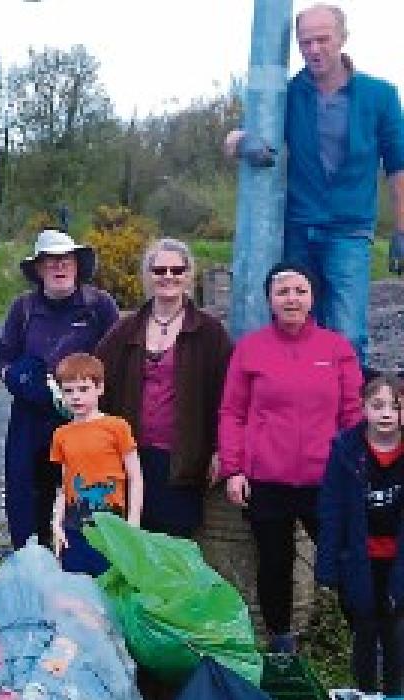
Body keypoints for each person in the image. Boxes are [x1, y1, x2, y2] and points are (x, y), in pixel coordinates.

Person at [225, 4, 404, 364]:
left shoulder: (379, 96)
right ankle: (299, 413)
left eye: (322, 40)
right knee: (295, 328)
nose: (314, 50)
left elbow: (398, 167)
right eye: (305, 42)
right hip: (298, 230)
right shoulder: (288, 96)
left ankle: (348, 417)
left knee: (348, 333)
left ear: (342, 38)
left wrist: (401, 229)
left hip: (349, 233)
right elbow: (234, 137)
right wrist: (243, 142)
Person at [217, 261, 363, 653]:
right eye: (282, 292)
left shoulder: (337, 349)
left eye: (300, 291)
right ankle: (283, 644)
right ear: (270, 300)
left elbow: (352, 414)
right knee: (275, 563)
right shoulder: (250, 349)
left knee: (347, 558)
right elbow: (232, 413)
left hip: (327, 481)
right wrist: (233, 470)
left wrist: (357, 470)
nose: (291, 299)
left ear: (312, 298)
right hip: (267, 479)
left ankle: (367, 639)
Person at [96, 238, 233, 537]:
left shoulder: (210, 332)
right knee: (134, 544)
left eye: (176, 269)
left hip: (183, 459)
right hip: (131, 457)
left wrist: (221, 451)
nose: (168, 276)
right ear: (148, 275)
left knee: (174, 546)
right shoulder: (126, 329)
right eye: (159, 270)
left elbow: (228, 398)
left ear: (188, 275)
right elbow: (98, 381)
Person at [0, 229, 119, 550]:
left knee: (83, 499)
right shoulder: (22, 308)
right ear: (38, 269)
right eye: (50, 262)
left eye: (66, 260)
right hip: (29, 420)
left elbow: (117, 360)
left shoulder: (99, 306)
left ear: (78, 265)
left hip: (81, 420)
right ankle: (32, 566)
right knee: (26, 498)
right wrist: (27, 382)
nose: (59, 268)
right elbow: (4, 361)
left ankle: (80, 568)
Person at [316, 372, 404, 696]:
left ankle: (395, 692)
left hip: (398, 563)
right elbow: (331, 511)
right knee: (364, 630)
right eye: (377, 405)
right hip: (359, 562)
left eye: (395, 407)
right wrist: (327, 569)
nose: (386, 413)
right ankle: (366, 692)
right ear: (362, 408)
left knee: (396, 632)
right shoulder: (345, 452)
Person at [49, 353, 143, 576]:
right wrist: (56, 523)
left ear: (99, 388)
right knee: (76, 587)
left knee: (111, 584)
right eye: (69, 391)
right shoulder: (61, 435)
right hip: (74, 527)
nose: (76, 397)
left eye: (83, 389)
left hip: (111, 527)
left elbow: (135, 477)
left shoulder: (117, 427)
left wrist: (133, 522)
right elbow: (64, 483)